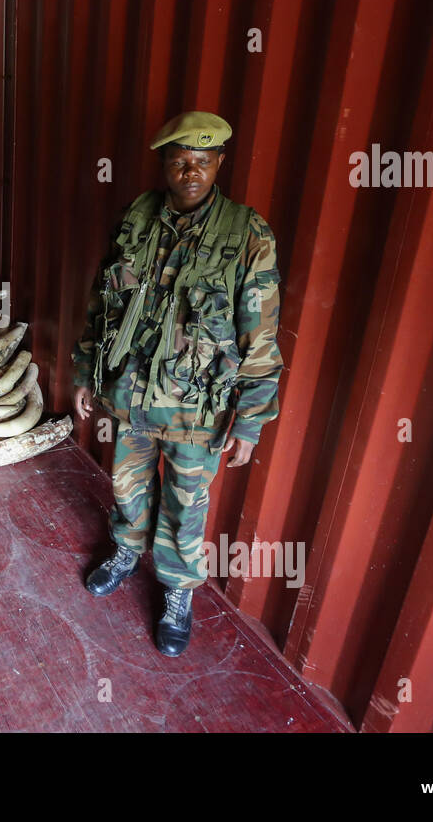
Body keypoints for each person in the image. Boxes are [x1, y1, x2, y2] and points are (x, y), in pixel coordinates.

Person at [70, 110, 284, 656]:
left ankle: (177, 591)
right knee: (126, 486)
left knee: (186, 504)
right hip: (132, 394)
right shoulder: (137, 217)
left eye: (203, 161)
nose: (191, 171)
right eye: (179, 160)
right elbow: (103, 303)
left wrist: (251, 421)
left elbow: (260, 335)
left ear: (219, 164)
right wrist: (85, 373)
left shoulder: (247, 233)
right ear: (165, 164)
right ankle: (125, 549)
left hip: (198, 407)